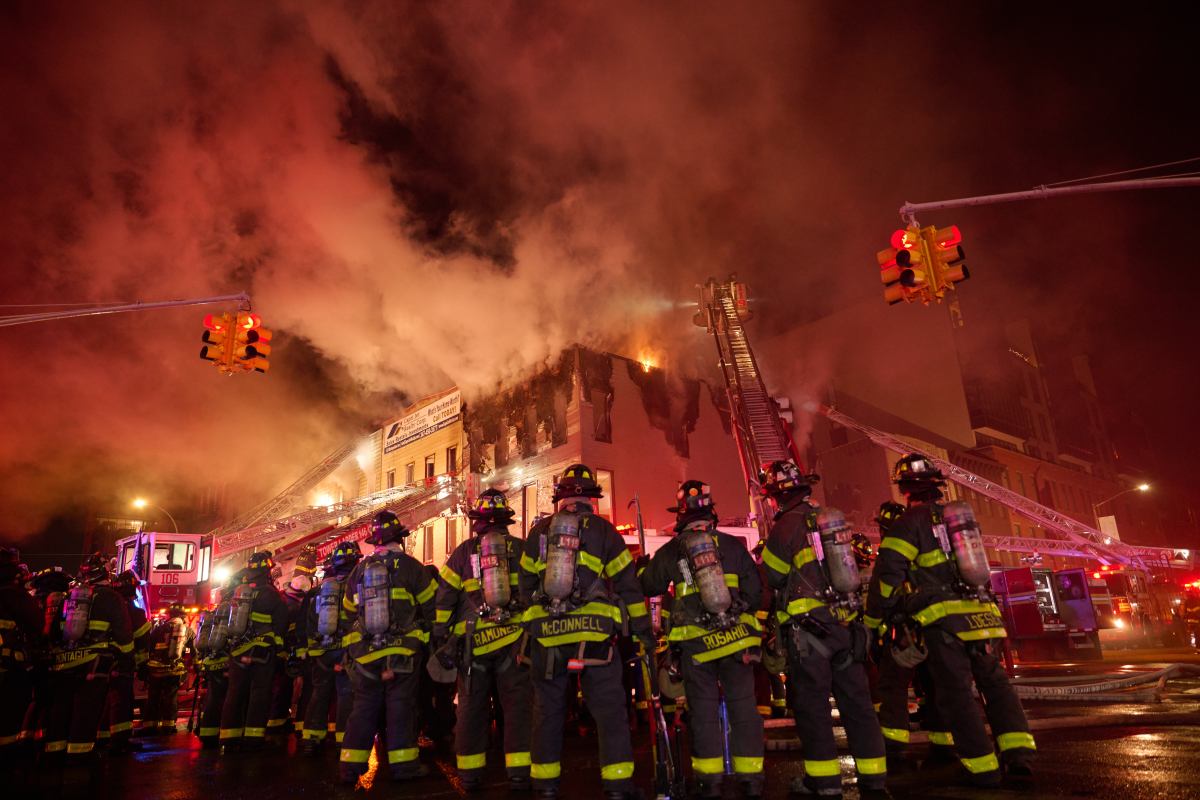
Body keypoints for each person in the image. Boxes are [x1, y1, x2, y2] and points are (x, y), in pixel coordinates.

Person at [865, 454, 1035, 787]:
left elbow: (886, 580)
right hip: (983, 617)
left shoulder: (906, 524)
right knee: (997, 687)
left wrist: (876, 623)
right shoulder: (959, 521)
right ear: (937, 486)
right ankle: (1020, 757)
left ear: (904, 489)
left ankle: (982, 767)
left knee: (956, 692)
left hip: (945, 624)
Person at [518, 463, 651, 800]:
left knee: (547, 712)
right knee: (608, 711)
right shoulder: (604, 531)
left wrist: (539, 622)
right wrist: (641, 632)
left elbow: (525, 586)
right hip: (594, 638)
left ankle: (545, 785)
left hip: (548, 640)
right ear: (592, 497)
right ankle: (618, 785)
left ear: (560, 498)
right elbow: (629, 586)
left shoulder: (539, 533)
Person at [758, 460, 889, 799]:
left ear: (776, 496)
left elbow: (770, 576)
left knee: (812, 706)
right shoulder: (829, 519)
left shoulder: (786, 526)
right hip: (846, 626)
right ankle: (874, 781)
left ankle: (825, 784)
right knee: (858, 704)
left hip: (809, 632)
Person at [640, 480, 765, 798]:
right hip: (737, 642)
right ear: (711, 514)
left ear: (681, 516)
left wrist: (643, 568)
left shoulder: (674, 549)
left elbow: (650, 585)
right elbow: (755, 592)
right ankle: (751, 779)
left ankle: (710, 781)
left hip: (697, 647)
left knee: (704, 712)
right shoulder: (733, 545)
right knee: (744, 709)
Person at [435, 488, 532, 791]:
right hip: (514, 645)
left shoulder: (464, 552)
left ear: (477, 519)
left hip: (472, 646)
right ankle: (518, 774)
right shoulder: (523, 549)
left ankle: (470, 775)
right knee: (517, 709)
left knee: (471, 708)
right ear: (506, 519)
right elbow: (534, 594)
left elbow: (444, 600)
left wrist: (442, 637)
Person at [338, 510, 438, 785]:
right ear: (400, 539)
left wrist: (356, 650)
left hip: (366, 654)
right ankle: (404, 767)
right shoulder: (411, 567)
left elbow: (347, 615)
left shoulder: (359, 571)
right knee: (401, 708)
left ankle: (349, 768)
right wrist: (426, 639)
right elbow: (432, 609)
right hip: (403, 652)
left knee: (363, 709)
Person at [866, 502, 953, 770]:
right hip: (935, 627)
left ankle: (894, 751)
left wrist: (872, 626)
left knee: (893, 687)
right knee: (935, 685)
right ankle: (943, 748)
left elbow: (882, 591)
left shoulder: (892, 550)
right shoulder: (930, 545)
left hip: (904, 631)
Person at [44, 553, 134, 766]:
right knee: (87, 710)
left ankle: (53, 753)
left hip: (65, 662)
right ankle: (79, 755)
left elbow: (55, 633)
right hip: (95, 664)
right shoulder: (112, 598)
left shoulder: (69, 597)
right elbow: (124, 636)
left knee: (62, 708)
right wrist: (127, 665)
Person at [218, 552, 289, 752]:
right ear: (266, 570)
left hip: (238, 650)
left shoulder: (238, 592)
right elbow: (281, 622)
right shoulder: (270, 593)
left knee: (235, 693)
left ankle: (228, 738)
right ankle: (253, 737)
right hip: (261, 652)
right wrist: (279, 648)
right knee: (260, 693)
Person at [301, 542, 360, 755]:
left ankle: (311, 739)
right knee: (345, 694)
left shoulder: (320, 591)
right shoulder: (356, 587)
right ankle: (343, 740)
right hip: (345, 651)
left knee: (319, 694)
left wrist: (313, 651)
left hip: (320, 653)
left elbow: (308, 624)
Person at [0, 547, 40, 768]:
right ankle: (7, 757)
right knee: (10, 713)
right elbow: (36, 626)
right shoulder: (16, 596)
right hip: (11, 667)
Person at [104, 569, 150, 751]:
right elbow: (143, 641)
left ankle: (102, 738)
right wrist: (143, 665)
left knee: (107, 701)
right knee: (122, 702)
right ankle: (120, 741)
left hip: (102, 662)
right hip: (123, 664)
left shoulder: (106, 607)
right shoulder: (134, 611)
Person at [195, 572, 238, 749]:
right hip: (226, 662)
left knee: (213, 698)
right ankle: (226, 734)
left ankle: (207, 733)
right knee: (229, 698)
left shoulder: (214, 613)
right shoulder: (233, 612)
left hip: (211, 662)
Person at [143, 602, 190, 735]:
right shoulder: (187, 630)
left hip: (156, 670)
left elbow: (149, 646)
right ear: (183, 616)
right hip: (173, 670)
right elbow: (194, 650)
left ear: (170, 614)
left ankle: (149, 727)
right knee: (170, 698)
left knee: (153, 698)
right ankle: (168, 726)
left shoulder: (160, 628)